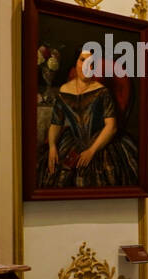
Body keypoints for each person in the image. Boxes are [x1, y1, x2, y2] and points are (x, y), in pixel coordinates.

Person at [40, 49, 137, 189]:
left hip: (100, 144)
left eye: (91, 63)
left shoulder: (102, 92)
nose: (86, 66)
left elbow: (111, 127)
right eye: (82, 60)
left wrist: (91, 151)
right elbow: (56, 123)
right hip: (73, 142)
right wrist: (52, 146)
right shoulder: (64, 91)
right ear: (76, 62)